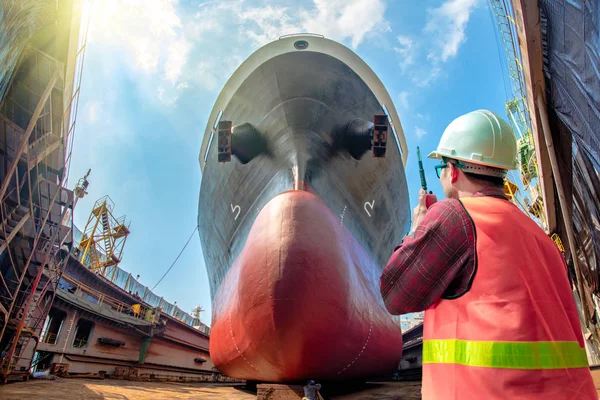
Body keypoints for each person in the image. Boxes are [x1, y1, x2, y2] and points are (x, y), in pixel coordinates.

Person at [379, 110, 596, 399]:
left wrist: (417, 226)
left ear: (453, 170)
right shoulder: (540, 237)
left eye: (441, 168)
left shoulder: (454, 216)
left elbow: (394, 293)